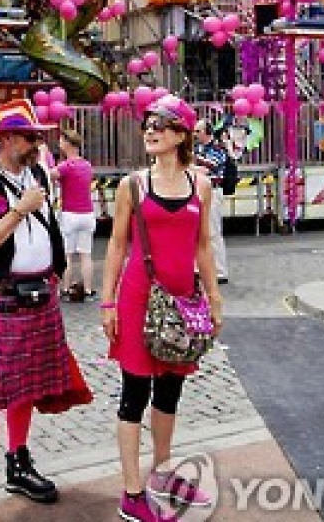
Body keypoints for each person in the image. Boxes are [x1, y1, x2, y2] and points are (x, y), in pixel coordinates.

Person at [99, 98, 224, 522]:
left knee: (170, 391)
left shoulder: (200, 185)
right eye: (148, 124)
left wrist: (214, 298)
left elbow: (203, 247)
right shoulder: (132, 186)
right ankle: (132, 492)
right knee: (134, 393)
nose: (151, 131)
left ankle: (164, 473)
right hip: (137, 299)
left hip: (183, 301)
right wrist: (107, 300)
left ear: (183, 134)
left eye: (162, 125)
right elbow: (117, 245)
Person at [0, 99, 74, 522]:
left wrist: (56, 270)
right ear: (7, 139)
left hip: (40, 294)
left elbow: (50, 228)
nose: (37, 143)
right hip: (2, 297)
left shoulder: (39, 174)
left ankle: (18, 464)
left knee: (26, 389)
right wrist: (19, 210)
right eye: (30, 136)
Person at [50, 127, 97, 301]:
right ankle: (88, 289)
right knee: (86, 254)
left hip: (70, 214)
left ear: (68, 144)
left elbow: (49, 175)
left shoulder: (65, 166)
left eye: (62, 141)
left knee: (67, 254)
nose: (60, 144)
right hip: (88, 213)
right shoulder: (87, 165)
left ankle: (65, 288)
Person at [193, 118, 230, 284]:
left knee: (213, 232)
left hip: (213, 191)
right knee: (197, 231)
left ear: (207, 132)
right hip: (198, 190)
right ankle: (198, 268)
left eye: (198, 131)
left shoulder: (218, 148)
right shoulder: (197, 149)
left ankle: (220, 271)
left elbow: (209, 167)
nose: (195, 134)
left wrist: (191, 162)